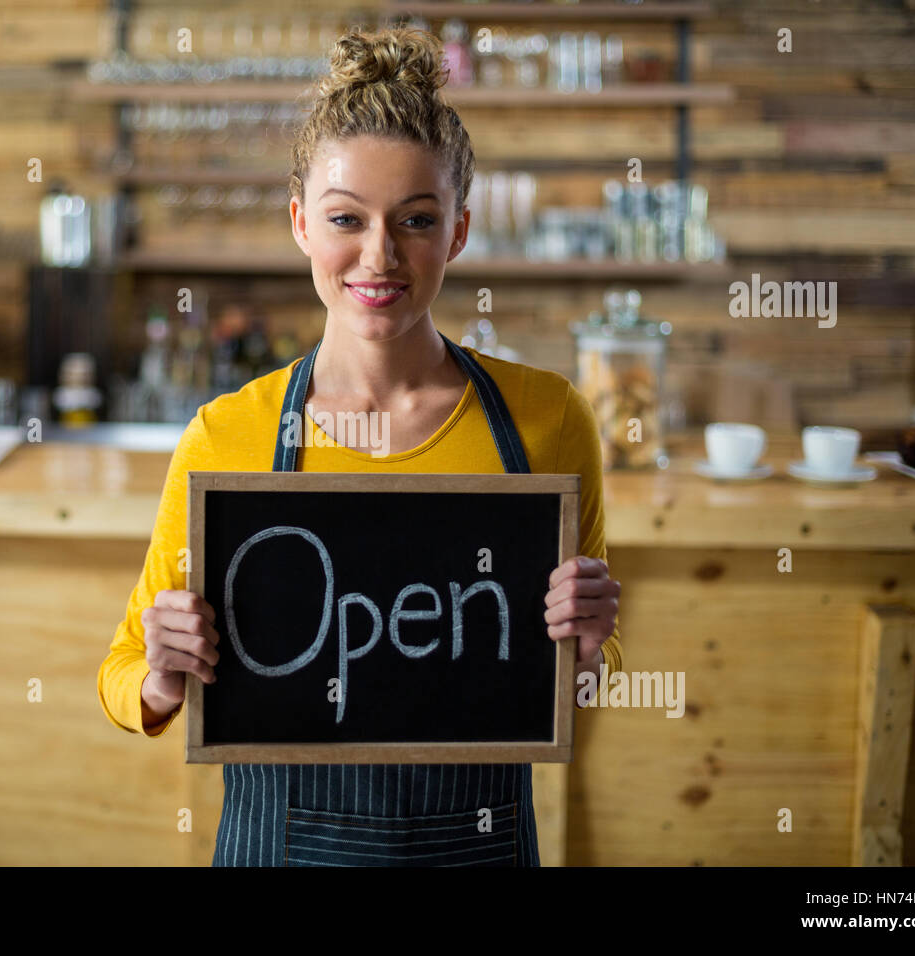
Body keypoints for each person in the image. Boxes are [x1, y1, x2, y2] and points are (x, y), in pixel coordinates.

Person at [98, 25, 623, 867]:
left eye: (416, 220)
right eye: (347, 218)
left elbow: (590, 676)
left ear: (457, 231)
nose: (380, 255)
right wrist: (163, 678)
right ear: (302, 223)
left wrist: (593, 647)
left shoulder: (549, 420)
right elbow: (125, 673)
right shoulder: (224, 435)